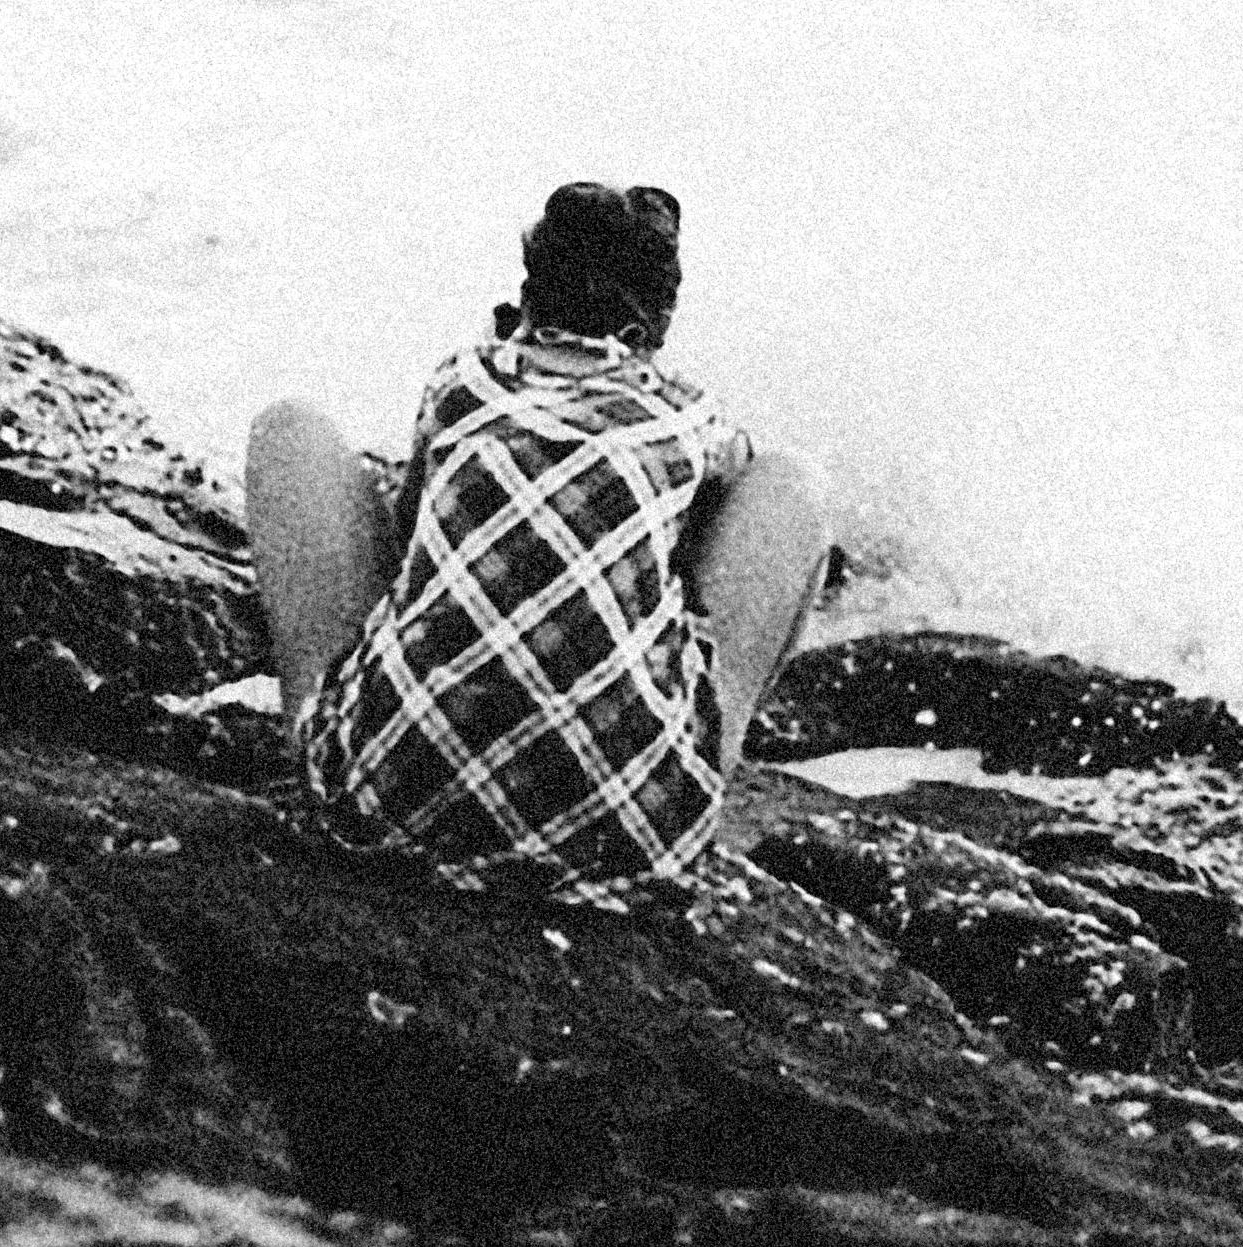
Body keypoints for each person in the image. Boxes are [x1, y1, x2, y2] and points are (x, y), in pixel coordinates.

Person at [244, 182, 833, 911]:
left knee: (288, 427)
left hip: (382, 805)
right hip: (634, 840)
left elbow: (404, 556)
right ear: (665, 315)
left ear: (529, 289)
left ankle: (361, 730)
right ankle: (685, 778)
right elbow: (736, 504)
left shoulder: (464, 379)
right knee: (794, 483)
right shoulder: (686, 414)